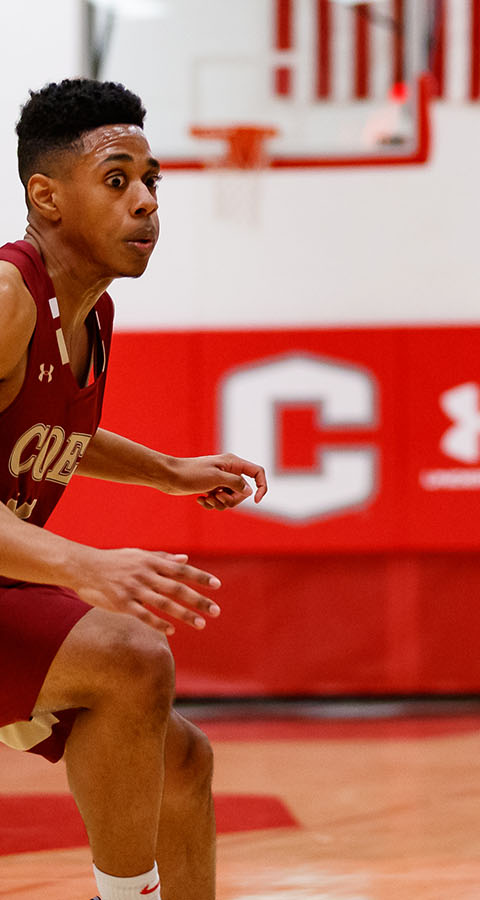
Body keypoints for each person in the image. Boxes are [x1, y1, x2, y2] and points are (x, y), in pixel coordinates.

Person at [1, 79, 268, 900]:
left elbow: (49, 430)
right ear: (46, 196)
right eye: (118, 180)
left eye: (152, 180)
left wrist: (170, 473)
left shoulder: (91, 313)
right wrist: (82, 564)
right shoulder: (9, 298)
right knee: (130, 657)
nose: (147, 202)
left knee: (180, 760)